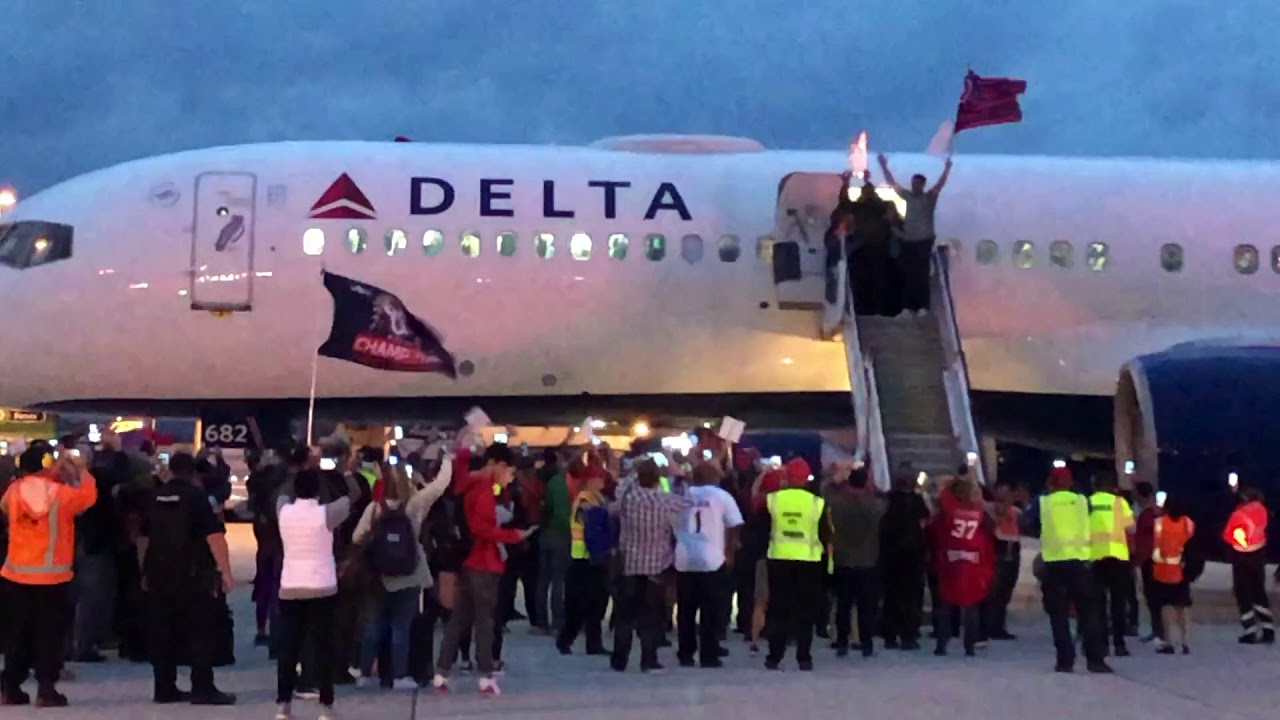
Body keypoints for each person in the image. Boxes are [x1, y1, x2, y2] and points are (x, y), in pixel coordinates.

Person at [1, 444, 97, 707]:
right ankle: (46, 689)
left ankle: (10, 687)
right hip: (52, 578)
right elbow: (88, 498)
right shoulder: (61, 494)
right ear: (45, 464)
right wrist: (81, 471)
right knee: (49, 636)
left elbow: (6, 508)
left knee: (17, 633)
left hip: (16, 574)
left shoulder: (14, 491)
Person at [431, 443, 531, 696]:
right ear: (497, 464)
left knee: (459, 620)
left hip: (469, 561)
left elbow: (460, 476)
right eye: (507, 469)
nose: (508, 475)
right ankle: (486, 674)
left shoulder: (470, 484)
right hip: (485, 562)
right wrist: (513, 535)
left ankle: (442, 671)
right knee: (485, 621)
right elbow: (483, 528)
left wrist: (464, 448)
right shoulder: (485, 490)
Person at [138, 452, 236, 705]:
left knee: (162, 632)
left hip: (159, 573)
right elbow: (214, 536)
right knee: (200, 631)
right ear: (193, 473)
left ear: (170, 470)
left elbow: (143, 537)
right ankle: (202, 687)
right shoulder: (196, 497)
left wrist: (144, 570)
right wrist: (225, 571)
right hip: (192, 574)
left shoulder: (155, 496)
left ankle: (164, 688)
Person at [351, 454, 452, 689]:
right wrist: (448, 458)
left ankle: (364, 673)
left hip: (378, 576)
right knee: (401, 628)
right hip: (408, 576)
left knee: (374, 625)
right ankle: (399, 676)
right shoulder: (414, 505)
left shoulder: (375, 508)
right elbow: (439, 486)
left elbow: (356, 537)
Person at [275, 467, 362, 720]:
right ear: (318, 490)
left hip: (290, 586)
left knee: (289, 649)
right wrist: (347, 468)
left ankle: (283, 705)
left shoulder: (284, 511)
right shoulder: (327, 514)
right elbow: (355, 493)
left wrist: (295, 470)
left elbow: (282, 494)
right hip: (322, 586)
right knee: (324, 647)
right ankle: (325, 706)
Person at [1027, 466, 1110, 673]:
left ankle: (1065, 660)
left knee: (1058, 615)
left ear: (1050, 483)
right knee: (1089, 613)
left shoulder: (1043, 502)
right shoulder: (1083, 501)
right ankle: (1095, 659)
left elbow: (1028, 523)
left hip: (1054, 564)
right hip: (1080, 563)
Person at [611, 458, 689, 673]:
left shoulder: (629, 498)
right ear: (657, 480)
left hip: (630, 563)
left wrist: (633, 473)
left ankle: (619, 660)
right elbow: (687, 502)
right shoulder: (664, 500)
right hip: (656, 565)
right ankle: (649, 660)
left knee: (625, 615)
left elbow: (620, 490)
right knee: (651, 616)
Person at [762, 458, 830, 671]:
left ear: (787, 477)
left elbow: (763, 527)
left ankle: (774, 656)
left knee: (778, 609)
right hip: (809, 561)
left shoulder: (773, 500)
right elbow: (826, 534)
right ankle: (804, 657)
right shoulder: (816, 503)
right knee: (805, 612)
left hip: (779, 559)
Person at [674, 461, 743, 668]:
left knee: (686, 610)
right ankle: (708, 654)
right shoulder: (721, 496)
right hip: (712, 558)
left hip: (685, 557)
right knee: (710, 610)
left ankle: (685, 653)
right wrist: (729, 552)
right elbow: (735, 524)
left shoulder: (683, 496)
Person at [876, 152, 952, 317]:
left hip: (923, 240)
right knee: (907, 274)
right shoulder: (907, 197)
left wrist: (947, 169)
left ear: (923, 185)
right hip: (909, 240)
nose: (914, 186)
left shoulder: (929, 198)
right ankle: (907, 307)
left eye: (917, 184)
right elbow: (892, 183)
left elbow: (940, 185)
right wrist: (884, 166)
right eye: (913, 183)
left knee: (921, 274)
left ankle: (922, 306)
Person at [930, 476, 994, 657]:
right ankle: (970, 646)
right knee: (971, 604)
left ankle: (942, 644)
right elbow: (990, 531)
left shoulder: (948, 511)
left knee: (945, 603)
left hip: (951, 560)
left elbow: (936, 530)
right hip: (973, 562)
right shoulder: (979, 512)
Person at [826, 465, 884, 657]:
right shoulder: (874, 506)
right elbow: (884, 502)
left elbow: (825, 493)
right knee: (866, 606)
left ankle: (842, 641)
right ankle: (866, 643)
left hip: (843, 558)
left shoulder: (838, 504)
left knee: (843, 604)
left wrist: (835, 480)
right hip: (868, 560)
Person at [557, 469, 610, 656]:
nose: (602, 481)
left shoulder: (596, 499)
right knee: (580, 605)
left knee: (596, 604)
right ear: (590, 480)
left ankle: (592, 643)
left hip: (588, 560)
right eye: (599, 478)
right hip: (584, 561)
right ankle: (566, 640)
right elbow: (594, 528)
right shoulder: (585, 500)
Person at [879, 470, 930, 650]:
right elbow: (926, 522)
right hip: (913, 555)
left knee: (891, 596)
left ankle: (890, 635)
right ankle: (908, 634)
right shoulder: (917, 502)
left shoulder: (888, 501)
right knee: (911, 597)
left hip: (891, 555)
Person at [1087, 471, 1135, 657]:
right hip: (1118, 557)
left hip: (1095, 557)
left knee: (1097, 602)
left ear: (1094, 485)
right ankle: (1119, 644)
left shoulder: (1088, 502)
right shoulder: (1119, 503)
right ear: (1112, 486)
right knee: (1118, 602)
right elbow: (1132, 528)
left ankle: (1101, 643)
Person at [1150, 494, 1203, 655]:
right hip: (1182, 572)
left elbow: (1154, 545)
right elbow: (1194, 547)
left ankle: (1169, 642)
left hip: (1162, 571)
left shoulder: (1159, 523)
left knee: (1166, 607)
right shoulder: (1188, 524)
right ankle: (1185, 641)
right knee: (1183, 607)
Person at [1223, 487, 1273, 644]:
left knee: (1243, 593)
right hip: (1259, 555)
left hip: (1242, 556)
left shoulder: (1239, 514)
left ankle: (1250, 630)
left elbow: (1228, 535)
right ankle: (1268, 629)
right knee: (1259, 592)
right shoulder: (1263, 510)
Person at [536, 449, 571, 634]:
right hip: (561, 534)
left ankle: (541, 621)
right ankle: (558, 621)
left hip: (545, 533)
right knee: (559, 580)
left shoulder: (549, 482)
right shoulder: (566, 483)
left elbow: (547, 507)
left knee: (543, 579)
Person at [982, 482, 1021, 641]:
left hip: (1012, 550)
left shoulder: (1016, 511)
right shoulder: (988, 509)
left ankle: (998, 627)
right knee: (993, 591)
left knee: (1005, 591)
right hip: (997, 549)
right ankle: (988, 626)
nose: (1003, 497)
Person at [1129, 481, 1162, 642]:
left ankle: (1159, 630)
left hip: (1150, 559)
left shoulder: (1147, 515)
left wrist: (1138, 557)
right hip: (1156, 558)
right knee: (1153, 595)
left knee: (1152, 595)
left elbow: (1144, 539)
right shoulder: (1156, 512)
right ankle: (1158, 629)